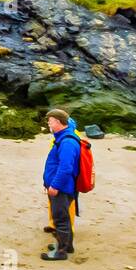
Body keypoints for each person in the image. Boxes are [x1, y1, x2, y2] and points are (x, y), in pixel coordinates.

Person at [41, 109, 81, 261]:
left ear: (58, 122)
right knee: (63, 217)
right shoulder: (64, 136)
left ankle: (61, 251)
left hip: (62, 187)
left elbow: (66, 168)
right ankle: (68, 246)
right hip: (63, 186)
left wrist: (55, 186)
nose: (48, 123)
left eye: (50, 121)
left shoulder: (67, 142)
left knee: (60, 219)